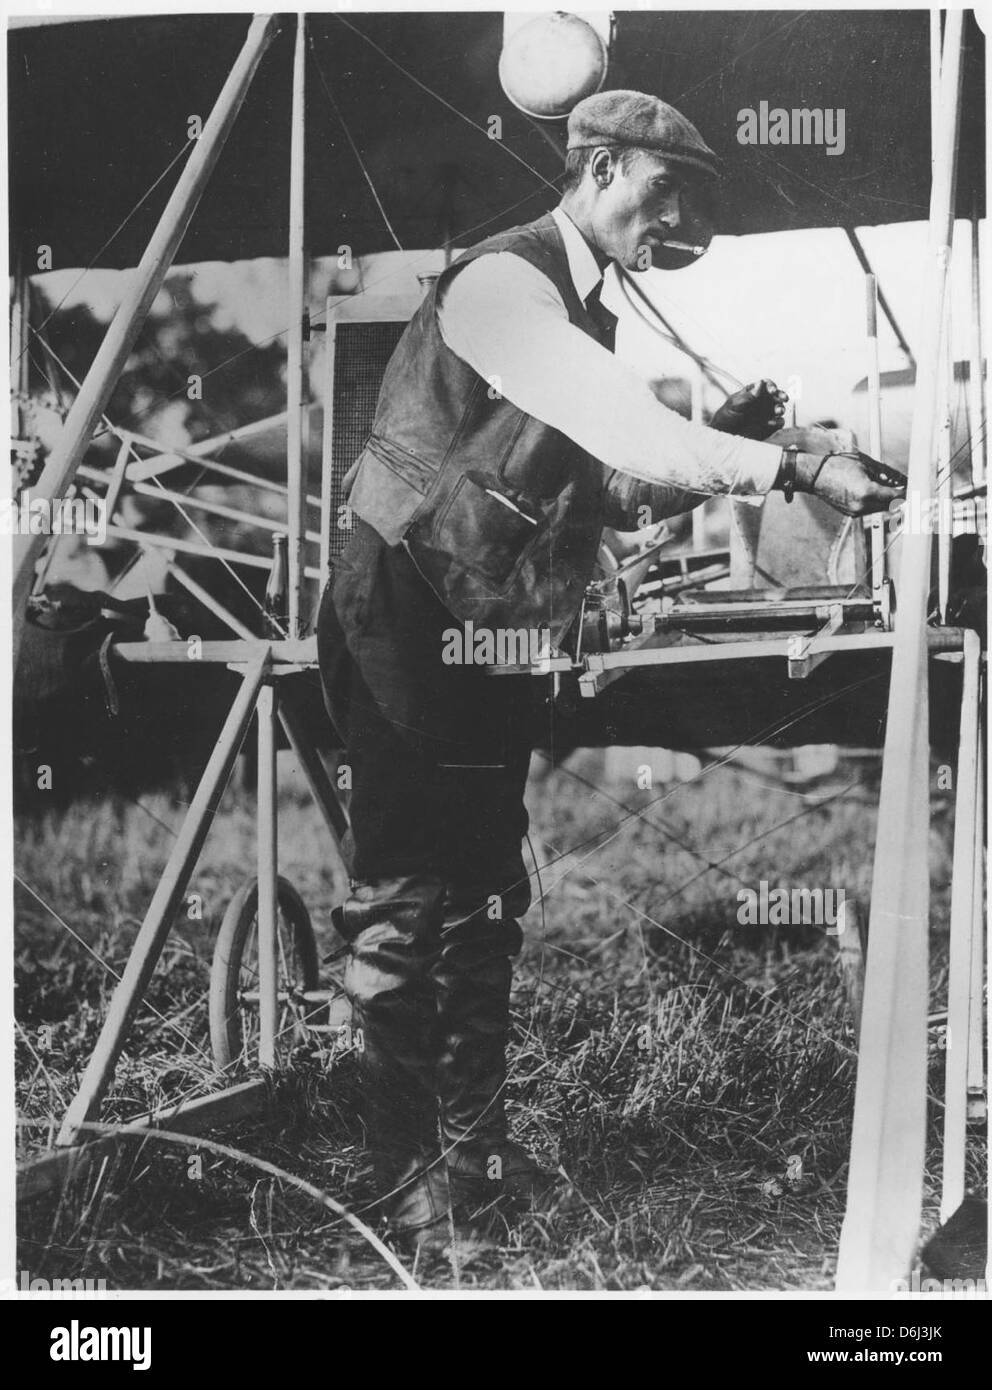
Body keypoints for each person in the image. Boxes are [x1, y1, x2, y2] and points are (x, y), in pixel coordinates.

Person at [318, 89, 904, 1250]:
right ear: (595, 169)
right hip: (401, 608)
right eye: (662, 189)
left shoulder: (583, 311)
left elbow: (617, 486)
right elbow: (631, 433)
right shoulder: (503, 284)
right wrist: (787, 468)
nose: (676, 220)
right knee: (406, 904)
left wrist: (745, 436)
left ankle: (473, 1157)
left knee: (487, 900)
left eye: (691, 199)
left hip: (488, 622)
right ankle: (402, 1187)